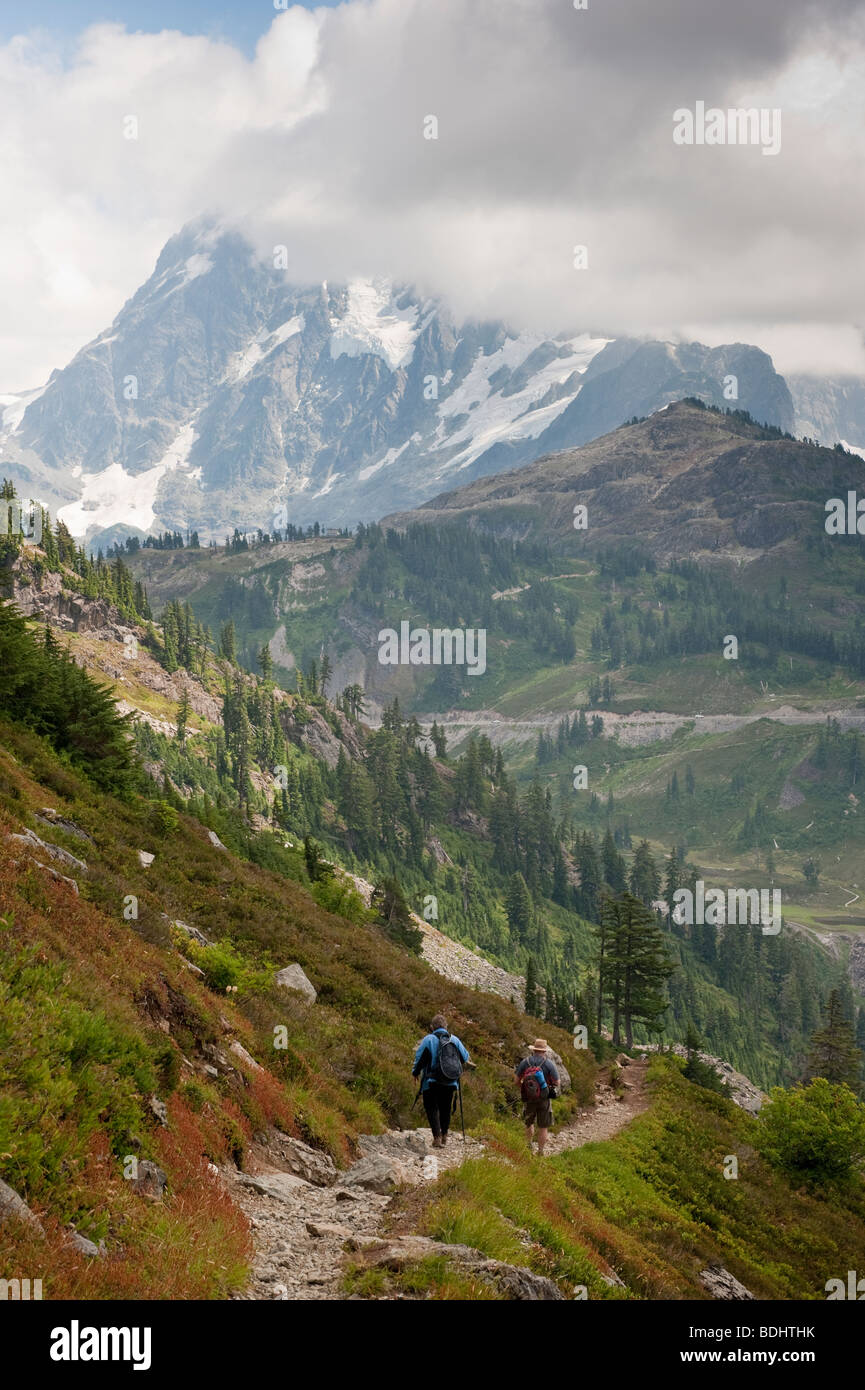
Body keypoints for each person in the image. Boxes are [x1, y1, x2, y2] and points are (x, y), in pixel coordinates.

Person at [412, 1014, 471, 1147]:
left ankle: (436, 1137)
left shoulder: (428, 1039)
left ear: (432, 1027)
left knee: (431, 1107)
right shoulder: (454, 1040)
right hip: (450, 1081)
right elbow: (465, 1057)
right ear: (446, 1027)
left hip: (431, 1081)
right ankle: (444, 1136)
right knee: (446, 1108)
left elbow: (419, 1059)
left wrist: (415, 1073)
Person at [515, 1038, 559, 1155]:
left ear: (534, 1050)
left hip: (529, 1099)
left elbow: (516, 1080)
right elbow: (557, 1082)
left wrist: (526, 1090)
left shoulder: (525, 1062)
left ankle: (528, 1146)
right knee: (543, 1126)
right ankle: (540, 1151)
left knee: (529, 1122)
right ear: (544, 1051)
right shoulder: (549, 1064)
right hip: (544, 1099)